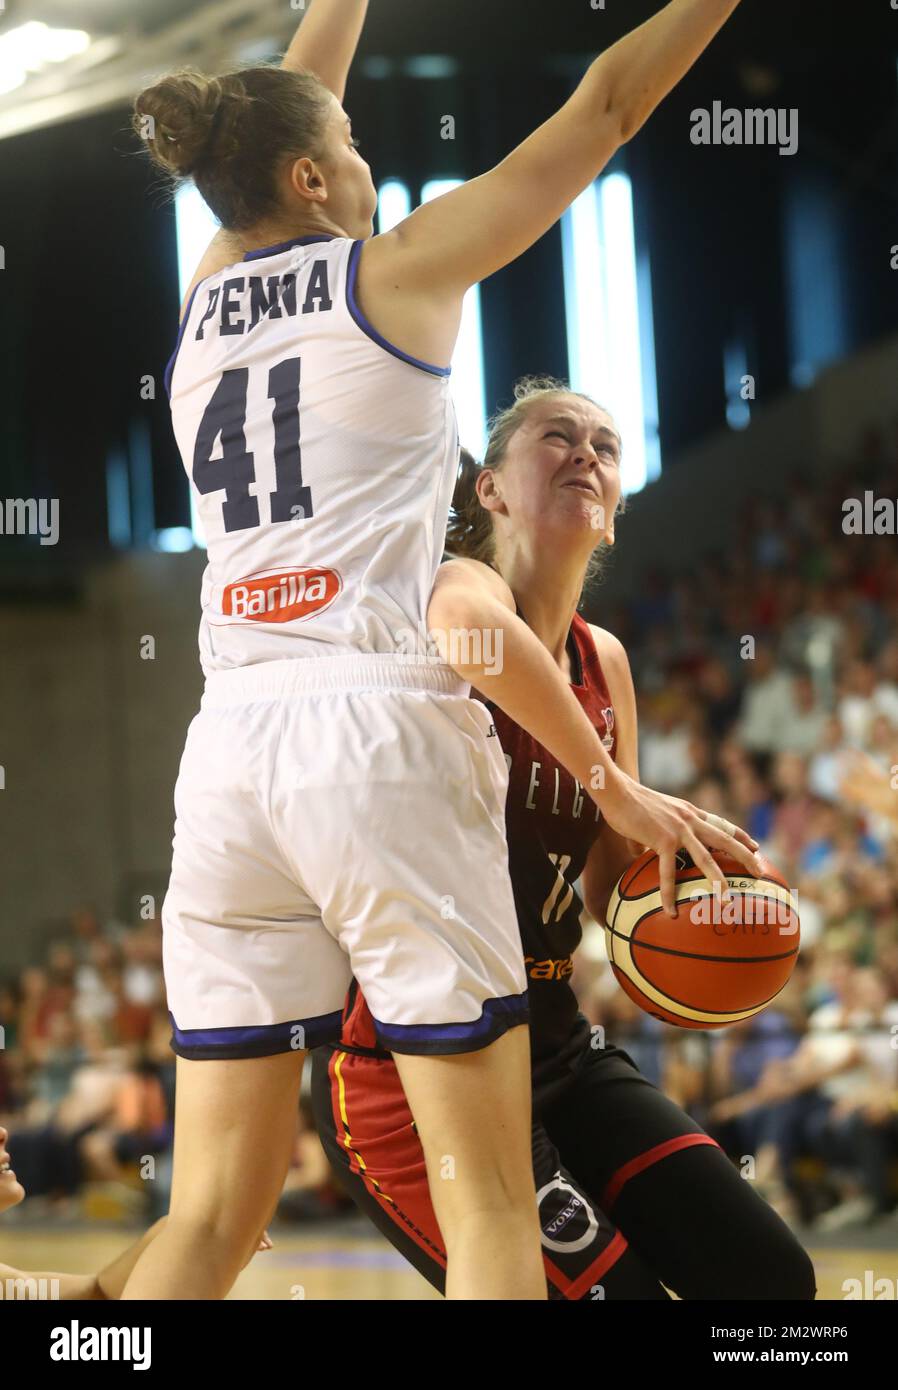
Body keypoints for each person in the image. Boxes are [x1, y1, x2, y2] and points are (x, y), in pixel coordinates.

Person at [123, 0, 754, 1300]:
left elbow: (264, 126)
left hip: (229, 748)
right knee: (492, 1220)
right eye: (347, 141)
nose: (363, 156)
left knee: (207, 1221)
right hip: (378, 735)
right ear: (312, 177)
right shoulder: (395, 269)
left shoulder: (204, 299)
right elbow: (607, 107)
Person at [309, 384, 816, 1299]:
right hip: (412, 1059)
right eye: (558, 437)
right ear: (490, 491)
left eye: (607, 446)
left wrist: (700, 898)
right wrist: (617, 786)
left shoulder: (604, 661)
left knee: (770, 1283)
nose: (587, 453)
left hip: (554, 1043)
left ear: (616, 515)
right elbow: (477, 638)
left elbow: (607, 886)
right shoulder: (448, 590)